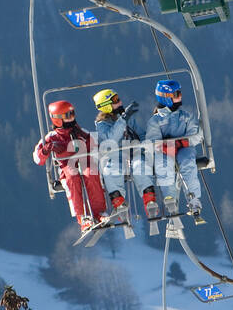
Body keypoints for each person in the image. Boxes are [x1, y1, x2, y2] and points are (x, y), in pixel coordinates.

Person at [32, 100, 106, 233]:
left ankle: (98, 213)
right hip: (67, 168)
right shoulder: (51, 137)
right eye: (67, 115)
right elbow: (37, 159)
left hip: (85, 163)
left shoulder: (80, 132)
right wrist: (46, 149)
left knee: (91, 173)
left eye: (72, 113)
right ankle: (82, 218)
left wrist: (91, 143)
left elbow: (96, 147)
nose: (72, 117)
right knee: (72, 177)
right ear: (57, 119)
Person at [92, 88, 158, 220]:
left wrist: (147, 144)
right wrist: (123, 119)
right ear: (106, 106)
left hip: (134, 150)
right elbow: (110, 139)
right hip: (117, 155)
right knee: (111, 170)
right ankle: (119, 202)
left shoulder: (128, 119)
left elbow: (139, 133)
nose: (120, 102)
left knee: (140, 166)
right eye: (115, 100)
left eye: (118, 98)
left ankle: (149, 199)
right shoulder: (102, 125)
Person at [144, 80, 203, 220]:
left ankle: (194, 198)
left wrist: (181, 142)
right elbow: (152, 142)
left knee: (188, 161)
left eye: (180, 93)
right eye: (176, 94)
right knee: (163, 164)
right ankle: (169, 198)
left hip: (184, 149)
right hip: (165, 152)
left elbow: (197, 135)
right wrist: (165, 146)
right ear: (166, 97)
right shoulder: (156, 120)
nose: (180, 96)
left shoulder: (186, 116)